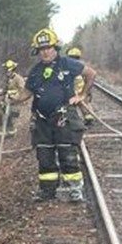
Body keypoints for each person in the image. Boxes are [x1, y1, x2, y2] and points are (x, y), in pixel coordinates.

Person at [24, 28, 96, 202]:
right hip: (42, 120)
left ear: (55, 47)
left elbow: (91, 74)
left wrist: (81, 95)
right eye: (42, 49)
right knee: (45, 156)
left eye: (48, 48)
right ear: (37, 51)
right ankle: (47, 190)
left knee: (68, 154)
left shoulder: (67, 63)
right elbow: (26, 93)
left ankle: (75, 190)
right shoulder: (35, 71)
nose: (45, 52)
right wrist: (12, 99)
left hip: (64, 116)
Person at [65, 47, 96, 126]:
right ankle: (88, 118)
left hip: (72, 91)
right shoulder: (81, 65)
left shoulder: (67, 65)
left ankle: (73, 119)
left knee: (71, 106)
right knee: (84, 105)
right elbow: (88, 79)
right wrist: (87, 92)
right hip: (80, 89)